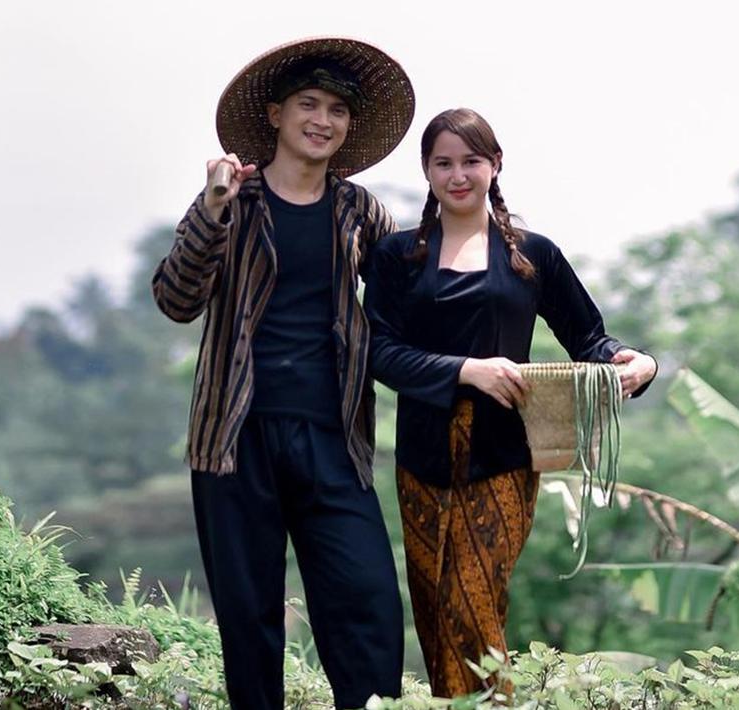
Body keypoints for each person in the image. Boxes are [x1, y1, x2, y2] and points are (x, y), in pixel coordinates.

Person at [151, 38, 414, 709]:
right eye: (307, 104)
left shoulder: (360, 212)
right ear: (275, 114)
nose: (322, 119)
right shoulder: (230, 202)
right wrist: (211, 209)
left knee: (369, 607)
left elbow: (411, 305)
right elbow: (176, 300)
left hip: (333, 439)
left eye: (335, 110)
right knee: (250, 619)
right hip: (233, 439)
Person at [364, 107, 658, 698]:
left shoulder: (533, 254)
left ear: (495, 165)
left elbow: (590, 338)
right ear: (426, 171)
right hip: (422, 456)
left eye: (471, 161)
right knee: (432, 604)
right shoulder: (399, 257)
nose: (458, 175)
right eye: (443, 163)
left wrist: (640, 363)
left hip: (503, 456)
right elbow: (377, 353)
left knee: (473, 601)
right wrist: (466, 370)